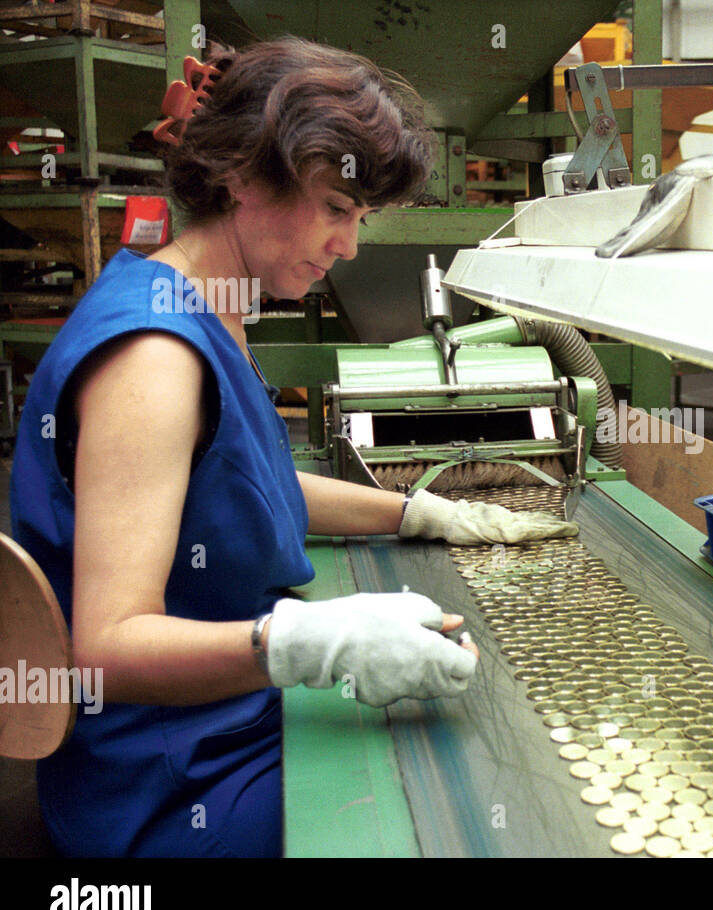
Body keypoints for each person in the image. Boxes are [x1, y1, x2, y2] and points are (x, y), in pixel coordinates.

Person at [8, 38, 574, 858]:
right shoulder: (154, 360)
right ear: (243, 175)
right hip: (168, 778)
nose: (348, 245)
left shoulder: (210, 304)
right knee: (489, 804)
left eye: (360, 219)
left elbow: (247, 480)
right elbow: (107, 646)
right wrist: (311, 642)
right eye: (336, 210)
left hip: (223, 717)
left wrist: (425, 514)